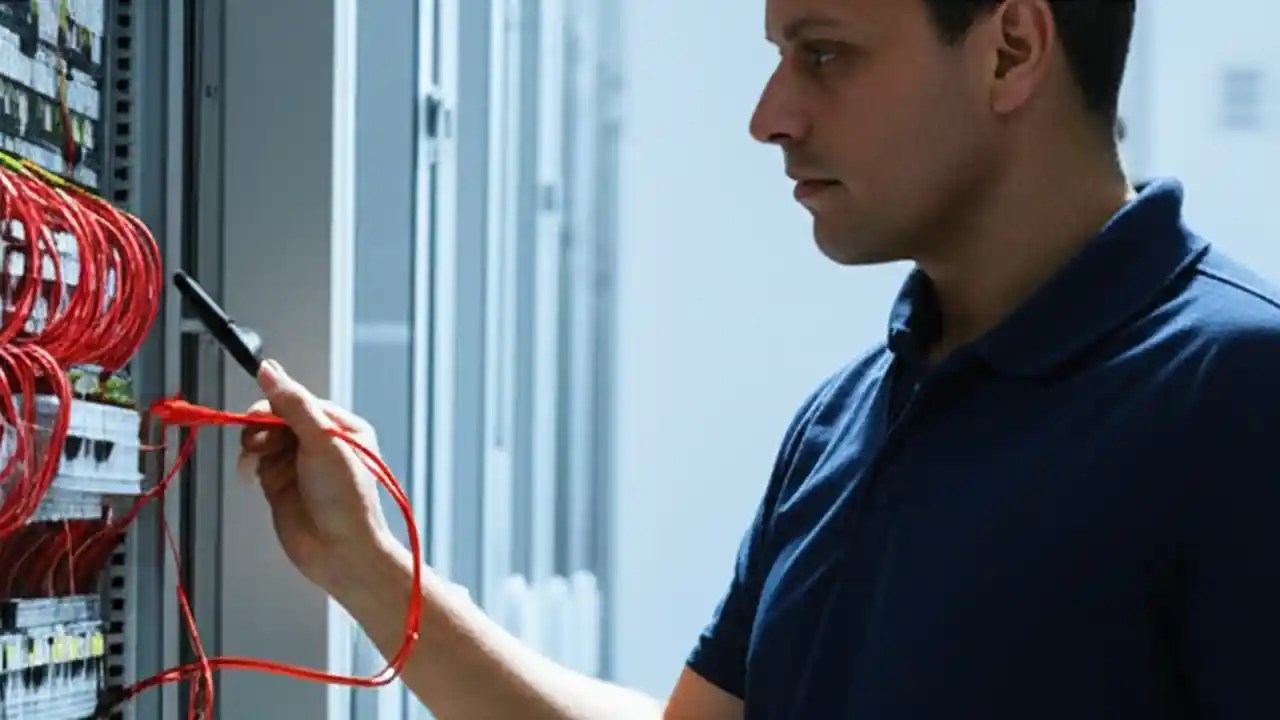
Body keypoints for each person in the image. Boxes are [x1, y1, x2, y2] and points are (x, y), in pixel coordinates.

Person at [239, 0, 1280, 717]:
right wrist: (369, 571)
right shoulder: (844, 418)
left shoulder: (1236, 394)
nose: (767, 116)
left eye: (821, 51)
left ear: (1009, 47)